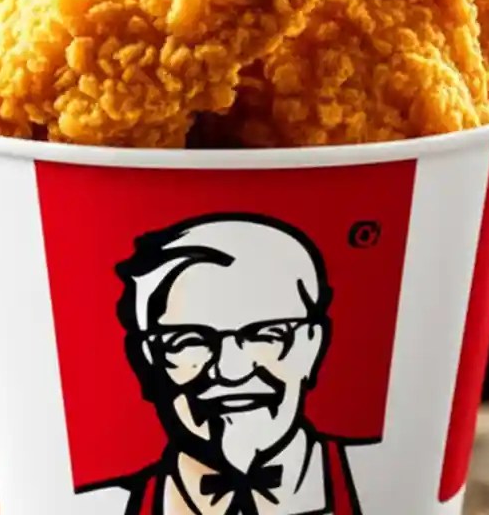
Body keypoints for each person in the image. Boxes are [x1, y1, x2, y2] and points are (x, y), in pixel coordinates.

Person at [109, 213, 361, 515]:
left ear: (312, 346)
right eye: (189, 340)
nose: (231, 371)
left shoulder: (388, 472)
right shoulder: (101, 506)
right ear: (147, 361)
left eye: (267, 335)